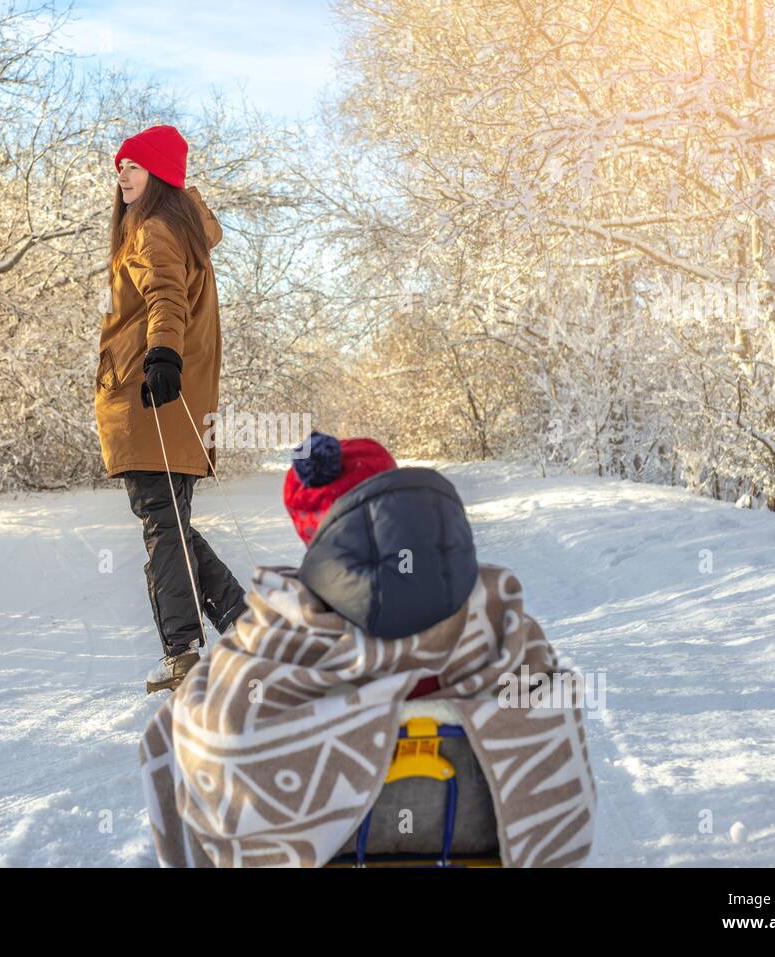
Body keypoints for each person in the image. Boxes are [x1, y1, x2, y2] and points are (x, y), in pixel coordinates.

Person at [138, 432, 598, 867]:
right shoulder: (494, 609)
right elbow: (551, 703)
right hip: (477, 834)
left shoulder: (276, 632)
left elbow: (201, 720)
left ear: (314, 536)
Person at [95, 124, 247, 694]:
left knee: (162, 525)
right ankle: (243, 625)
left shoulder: (152, 229)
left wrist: (161, 355)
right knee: (171, 524)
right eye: (120, 167)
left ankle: (182, 650)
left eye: (133, 166)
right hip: (171, 398)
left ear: (158, 173)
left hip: (150, 396)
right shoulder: (181, 229)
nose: (122, 176)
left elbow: (163, 294)